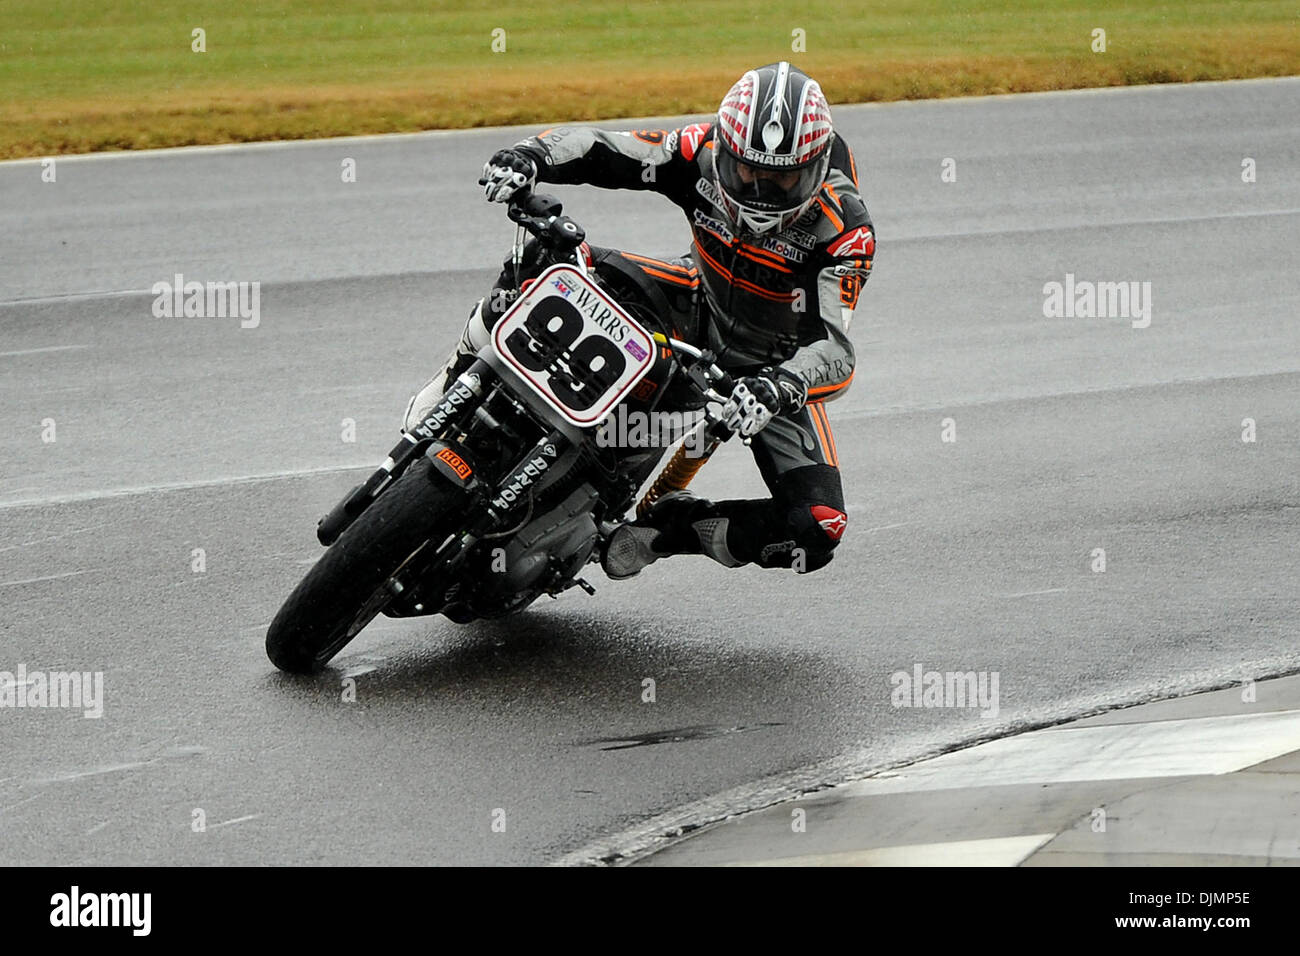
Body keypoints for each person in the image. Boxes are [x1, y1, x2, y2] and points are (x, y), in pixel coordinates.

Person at [405, 61, 874, 577]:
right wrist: (530, 155)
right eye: (747, 172)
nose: (761, 193)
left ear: (816, 164)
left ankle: (664, 532)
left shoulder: (843, 228)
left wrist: (780, 386)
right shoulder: (700, 150)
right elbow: (605, 147)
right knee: (554, 253)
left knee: (818, 527)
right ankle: (461, 374)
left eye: (783, 180)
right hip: (690, 298)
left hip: (772, 370)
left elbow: (836, 351)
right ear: (726, 150)